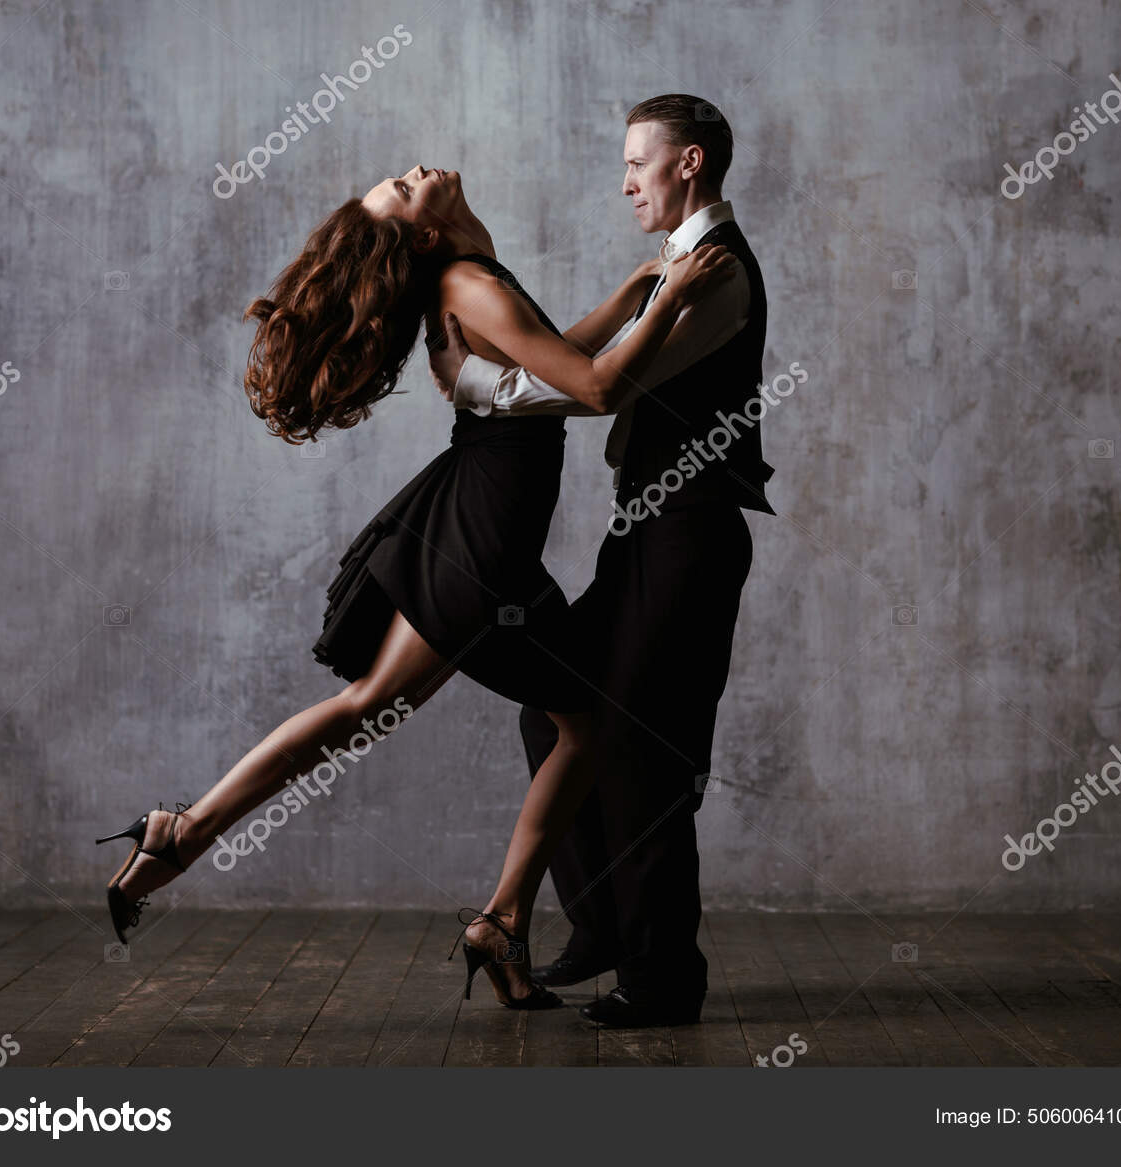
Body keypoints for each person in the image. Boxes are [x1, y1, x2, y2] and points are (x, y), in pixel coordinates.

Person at [94, 163, 736, 1010]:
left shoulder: (471, 269)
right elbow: (595, 388)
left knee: (384, 708)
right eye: (399, 191)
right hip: (480, 543)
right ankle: (497, 918)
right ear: (425, 233)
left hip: (468, 527)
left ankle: (187, 831)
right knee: (582, 722)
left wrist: (626, 298)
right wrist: (668, 300)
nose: (406, 174)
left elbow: (542, 370)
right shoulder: (467, 282)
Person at [428, 95, 774, 1027]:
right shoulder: (674, 266)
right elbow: (592, 358)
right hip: (648, 528)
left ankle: (663, 977)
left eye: (637, 163)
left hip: (691, 531)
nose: (625, 182)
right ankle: (608, 928)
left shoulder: (715, 274)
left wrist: (470, 382)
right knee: (559, 716)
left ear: (689, 164)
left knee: (644, 752)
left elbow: (594, 390)